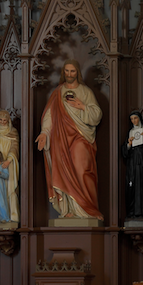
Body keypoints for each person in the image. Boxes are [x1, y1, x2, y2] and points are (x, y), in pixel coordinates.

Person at [37, 60, 103, 222]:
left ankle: (87, 209)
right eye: (66, 71)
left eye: (72, 71)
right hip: (60, 140)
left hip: (81, 138)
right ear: (63, 73)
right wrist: (45, 132)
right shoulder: (57, 93)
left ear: (77, 73)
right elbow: (50, 116)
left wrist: (82, 106)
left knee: (82, 170)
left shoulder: (85, 92)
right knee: (63, 172)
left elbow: (96, 115)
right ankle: (69, 210)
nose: (69, 74)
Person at [121, 110, 143, 226]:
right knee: (132, 187)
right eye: (131, 119)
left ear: (139, 119)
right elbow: (124, 152)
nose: (133, 121)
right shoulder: (130, 132)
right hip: (132, 165)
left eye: (135, 118)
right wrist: (129, 144)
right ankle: (133, 212)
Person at [0, 109, 18, 225]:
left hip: (8, 163)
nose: (2, 122)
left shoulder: (13, 132)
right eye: (0, 120)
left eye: (4, 120)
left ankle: (10, 216)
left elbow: (14, 148)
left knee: (9, 191)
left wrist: (9, 160)